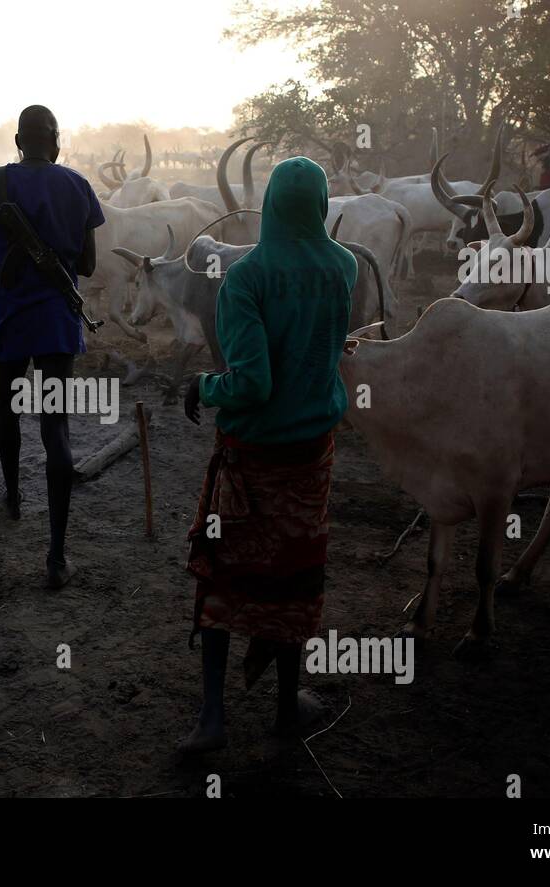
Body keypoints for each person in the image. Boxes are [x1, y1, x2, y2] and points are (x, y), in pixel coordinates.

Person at [179, 156, 357, 754]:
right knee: (294, 575)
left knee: (223, 573)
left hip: (252, 458)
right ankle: (286, 705)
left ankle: (212, 718)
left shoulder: (245, 279)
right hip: (311, 456)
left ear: (273, 206)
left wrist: (203, 387)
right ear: (321, 205)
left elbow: (251, 383)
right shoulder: (344, 268)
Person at [0, 105, 105, 589]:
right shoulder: (78, 185)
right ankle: (57, 556)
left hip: (10, 320)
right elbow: (85, 265)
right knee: (56, 428)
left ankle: (13, 497)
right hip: (57, 322)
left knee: (7, 409)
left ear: (18, 141)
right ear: (56, 141)